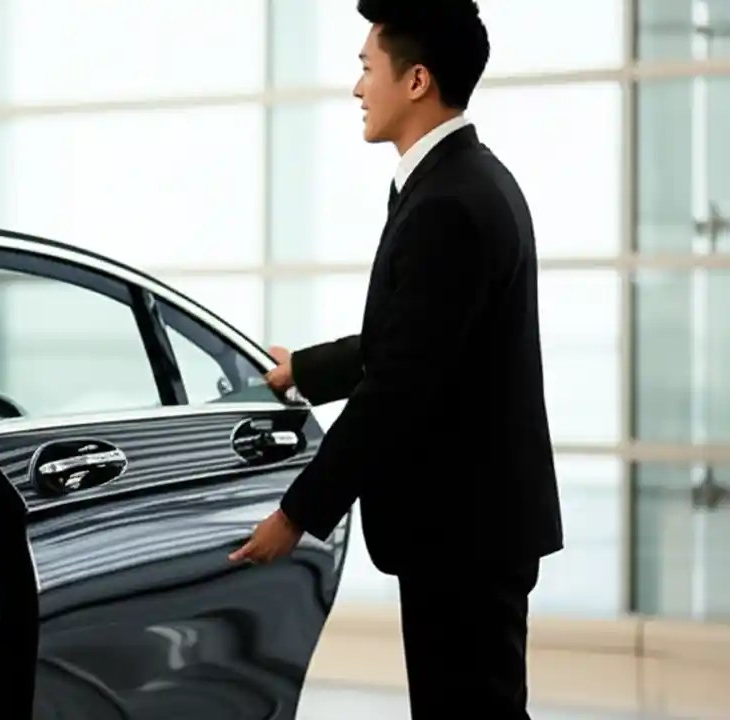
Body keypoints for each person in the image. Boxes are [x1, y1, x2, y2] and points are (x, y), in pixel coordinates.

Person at [228, 1, 563, 717]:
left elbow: (399, 388)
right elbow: (416, 341)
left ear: (415, 81)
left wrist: (296, 514)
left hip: (463, 533)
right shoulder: (466, 180)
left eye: (365, 68)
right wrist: (307, 371)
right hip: (476, 526)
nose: (356, 88)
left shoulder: (448, 203)